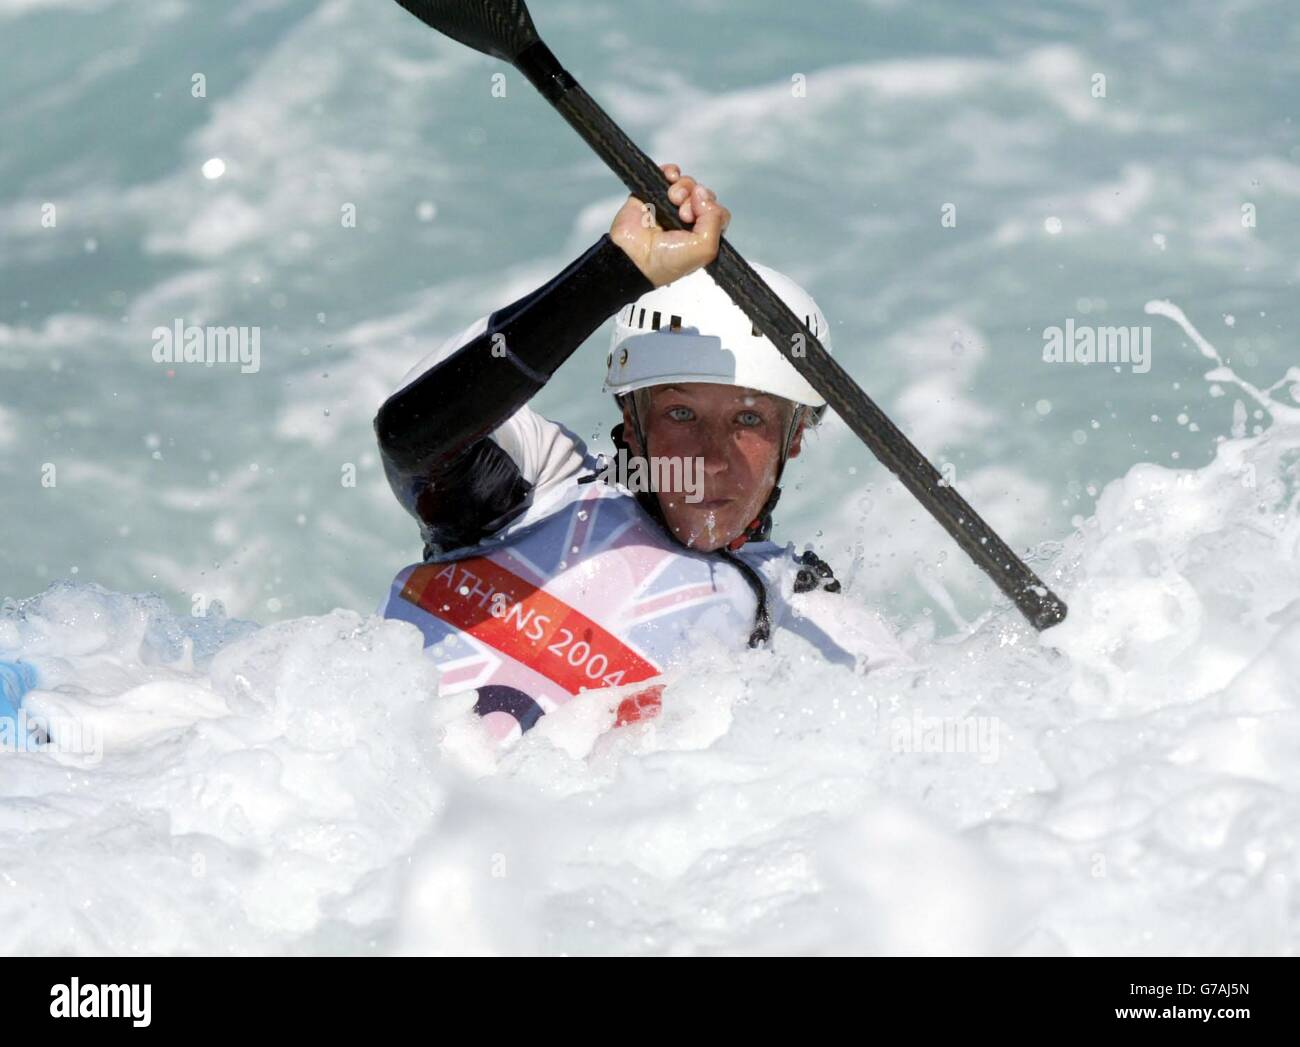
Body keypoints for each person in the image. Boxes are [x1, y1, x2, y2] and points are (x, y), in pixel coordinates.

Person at [373, 164, 906, 744]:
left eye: (748, 420)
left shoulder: (812, 625)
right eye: (681, 414)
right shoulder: (540, 490)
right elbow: (410, 432)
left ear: (795, 436)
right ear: (632, 420)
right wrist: (614, 274)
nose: (710, 458)